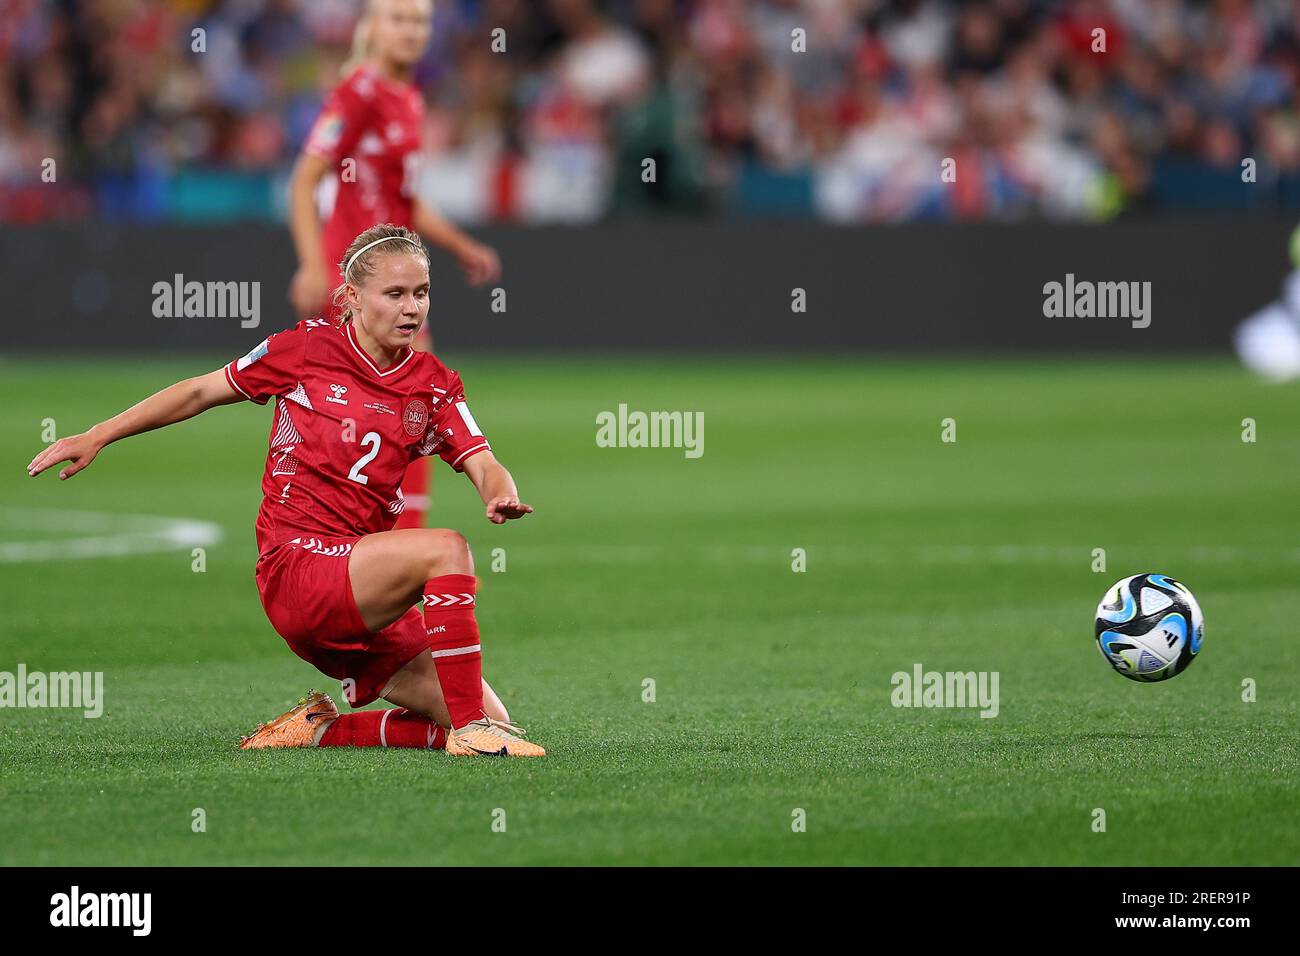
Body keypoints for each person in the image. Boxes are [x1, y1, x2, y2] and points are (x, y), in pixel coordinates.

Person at [28, 224, 544, 758]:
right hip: (298, 567)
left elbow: (483, 460)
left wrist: (498, 493)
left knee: (493, 716)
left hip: (365, 592)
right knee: (446, 550)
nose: (411, 308)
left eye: (421, 293)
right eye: (394, 294)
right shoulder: (304, 349)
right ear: (351, 297)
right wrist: (98, 435)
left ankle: (325, 729)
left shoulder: (434, 384)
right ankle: (472, 736)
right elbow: (202, 390)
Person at [288, 0, 501, 532]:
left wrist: (458, 244)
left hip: (393, 275)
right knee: (410, 398)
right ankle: (385, 544)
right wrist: (312, 265)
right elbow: (304, 181)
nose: (410, 30)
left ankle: (376, 542)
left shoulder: (407, 96)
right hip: (357, 278)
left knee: (388, 407)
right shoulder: (358, 93)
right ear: (373, 27)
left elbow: (405, 199)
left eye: (420, 21)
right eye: (398, 18)